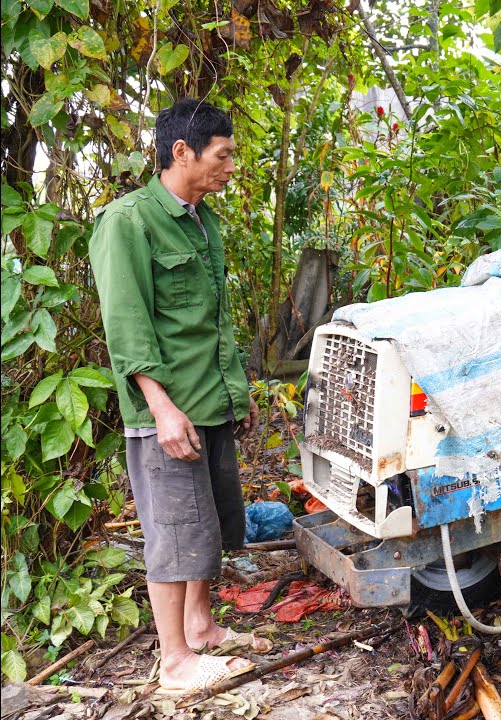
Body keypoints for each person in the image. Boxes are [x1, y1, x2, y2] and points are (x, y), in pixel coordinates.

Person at [89, 99, 267, 694]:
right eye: (224, 155)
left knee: (211, 522)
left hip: (208, 398)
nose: (231, 166)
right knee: (174, 531)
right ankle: (175, 664)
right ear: (181, 152)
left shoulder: (202, 218)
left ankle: (201, 626)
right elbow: (127, 324)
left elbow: (212, 323)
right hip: (166, 409)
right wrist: (160, 406)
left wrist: (236, 390)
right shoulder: (129, 221)